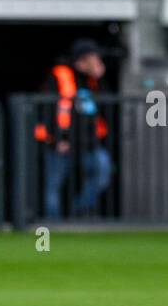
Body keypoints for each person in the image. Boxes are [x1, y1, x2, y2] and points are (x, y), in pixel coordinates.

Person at [35, 39, 112, 220]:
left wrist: (99, 78)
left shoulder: (94, 80)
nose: (96, 62)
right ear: (81, 60)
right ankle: (52, 226)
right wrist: (57, 138)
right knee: (53, 184)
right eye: (92, 58)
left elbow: (107, 105)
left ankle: (78, 211)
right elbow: (47, 108)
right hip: (60, 143)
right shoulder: (61, 74)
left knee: (102, 171)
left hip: (88, 143)